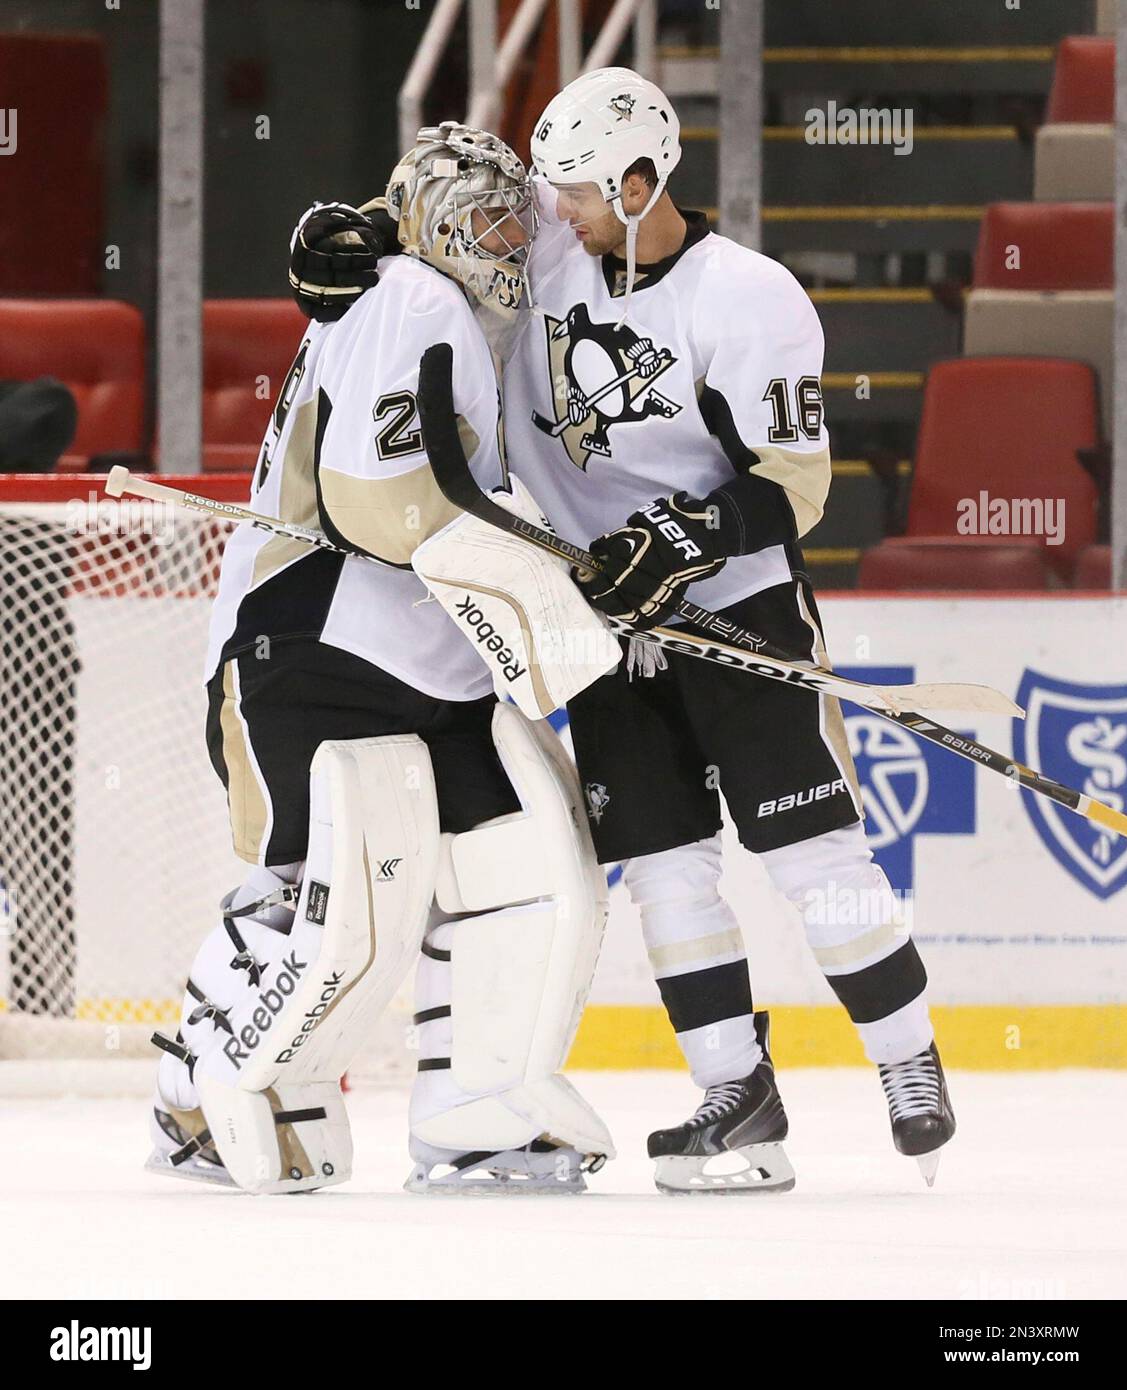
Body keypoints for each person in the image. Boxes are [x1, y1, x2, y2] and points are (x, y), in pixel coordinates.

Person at [285, 71, 956, 1194]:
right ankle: (735, 1097)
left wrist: (692, 533)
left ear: (643, 183)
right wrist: (347, 247)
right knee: (662, 866)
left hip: (730, 606)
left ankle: (907, 1062)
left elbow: (796, 484)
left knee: (809, 853)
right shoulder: (546, 251)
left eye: (581, 192)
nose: (554, 213)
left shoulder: (750, 296)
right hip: (599, 625)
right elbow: (448, 219)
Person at [147, 123, 617, 1196]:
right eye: (488, 219)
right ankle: (198, 1093)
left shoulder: (435, 289)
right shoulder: (412, 295)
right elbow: (377, 500)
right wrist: (545, 568)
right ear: (439, 224)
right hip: (315, 640)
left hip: (430, 658)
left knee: (518, 868)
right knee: (317, 882)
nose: (510, 236)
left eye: (516, 216)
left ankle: (476, 1113)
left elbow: (556, 217)